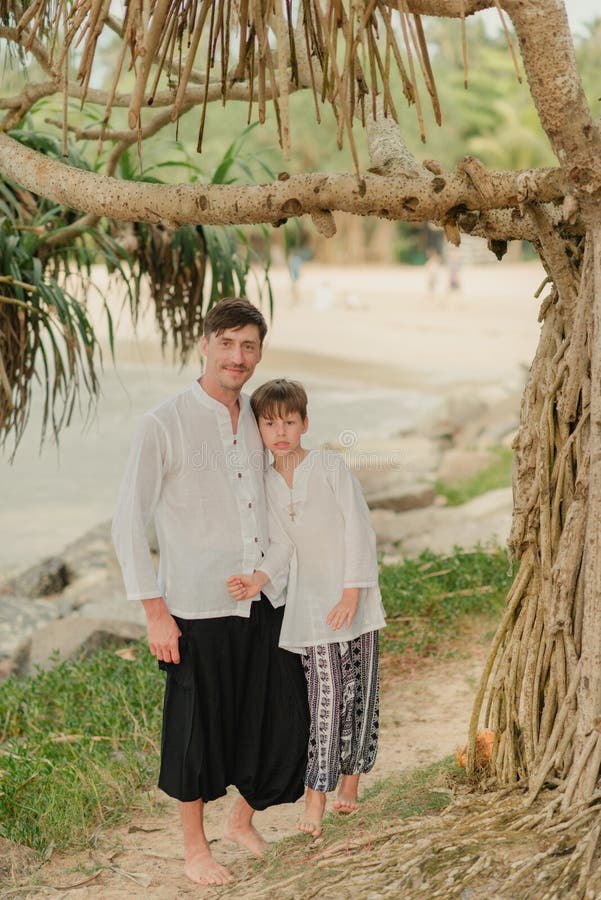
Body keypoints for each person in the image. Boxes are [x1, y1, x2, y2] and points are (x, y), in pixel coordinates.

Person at [111, 300, 309, 887]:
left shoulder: (261, 417)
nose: (237, 357)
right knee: (195, 732)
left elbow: (286, 501)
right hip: (194, 607)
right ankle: (195, 850)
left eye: (248, 346)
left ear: (260, 353)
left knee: (284, 716)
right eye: (227, 343)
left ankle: (240, 822)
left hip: (264, 598)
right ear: (204, 344)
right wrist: (154, 611)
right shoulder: (163, 423)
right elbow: (128, 521)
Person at [227, 379, 386, 838]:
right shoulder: (264, 484)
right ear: (257, 428)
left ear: (305, 424)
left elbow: (360, 529)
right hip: (310, 605)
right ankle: (315, 798)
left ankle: (351, 784)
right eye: (269, 422)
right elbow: (279, 546)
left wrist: (353, 592)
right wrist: (258, 578)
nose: (279, 431)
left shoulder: (331, 467)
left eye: (289, 422)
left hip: (352, 596)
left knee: (361, 690)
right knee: (325, 700)